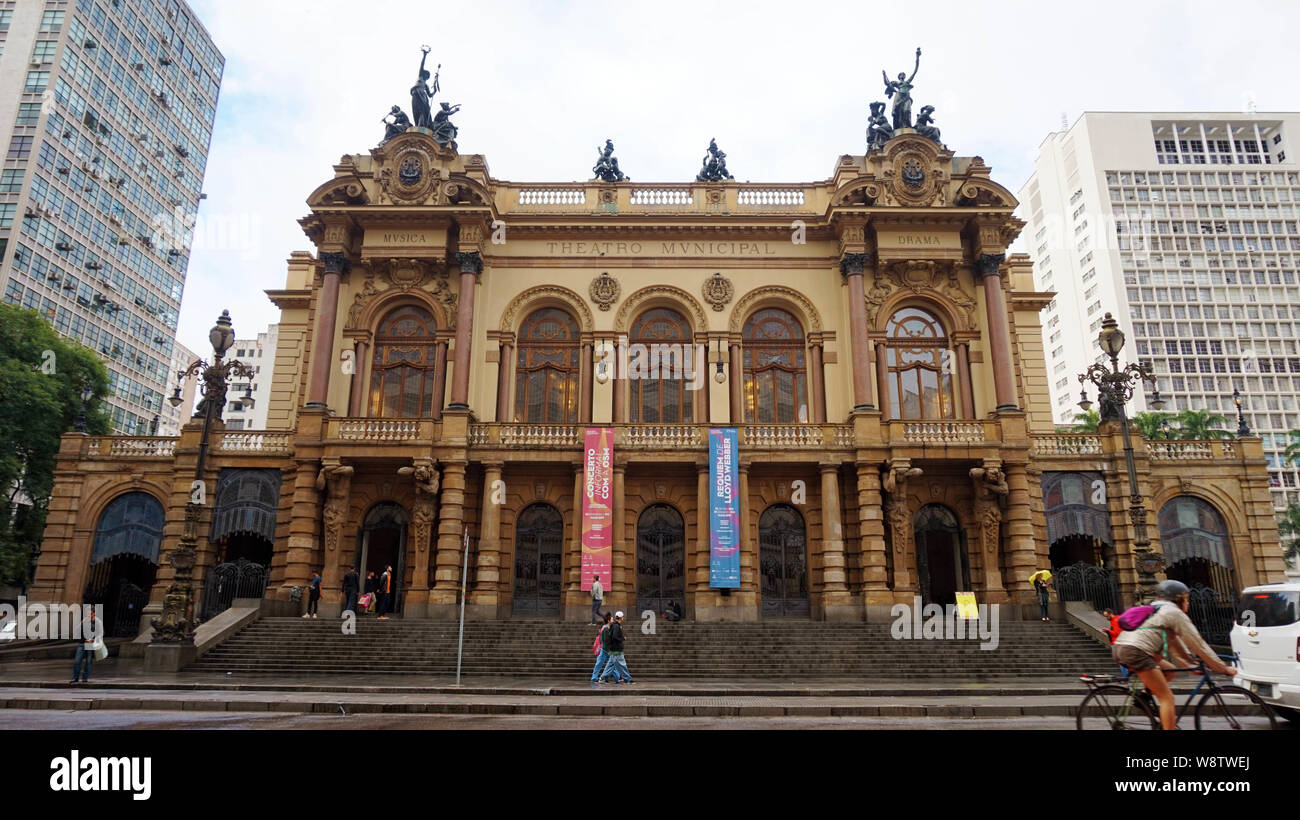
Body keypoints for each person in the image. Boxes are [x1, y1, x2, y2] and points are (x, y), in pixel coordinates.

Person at [1112, 579, 1238, 730]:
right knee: (1167, 698)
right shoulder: (1174, 613)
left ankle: (1144, 697)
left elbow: (1175, 646)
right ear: (1180, 599)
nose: (1188, 603)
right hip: (1137, 651)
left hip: (1122, 647)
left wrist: (1190, 664)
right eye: (1187, 599)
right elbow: (1198, 644)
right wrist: (1223, 668)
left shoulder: (1155, 609)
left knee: (1170, 671)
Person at [598, 611, 634, 684]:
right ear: (621, 618)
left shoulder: (613, 625)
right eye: (622, 617)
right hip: (617, 649)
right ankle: (628, 679)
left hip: (613, 649)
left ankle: (603, 678)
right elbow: (615, 636)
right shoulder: (616, 626)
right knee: (622, 664)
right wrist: (622, 639)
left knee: (610, 665)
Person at [71, 607, 99, 684]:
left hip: (90, 644)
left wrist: (93, 640)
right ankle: (75, 677)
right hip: (81, 643)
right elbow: (76, 631)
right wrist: (82, 623)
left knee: (88, 662)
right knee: (77, 661)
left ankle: (85, 678)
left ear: (93, 613)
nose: (88, 615)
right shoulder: (84, 621)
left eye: (90, 613)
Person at [591, 611, 613, 685]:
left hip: (605, 649)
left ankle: (617, 677)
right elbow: (602, 639)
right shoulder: (605, 628)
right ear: (608, 620)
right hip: (603, 649)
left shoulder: (607, 627)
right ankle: (595, 678)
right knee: (600, 663)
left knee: (610, 664)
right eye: (612, 619)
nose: (613, 620)